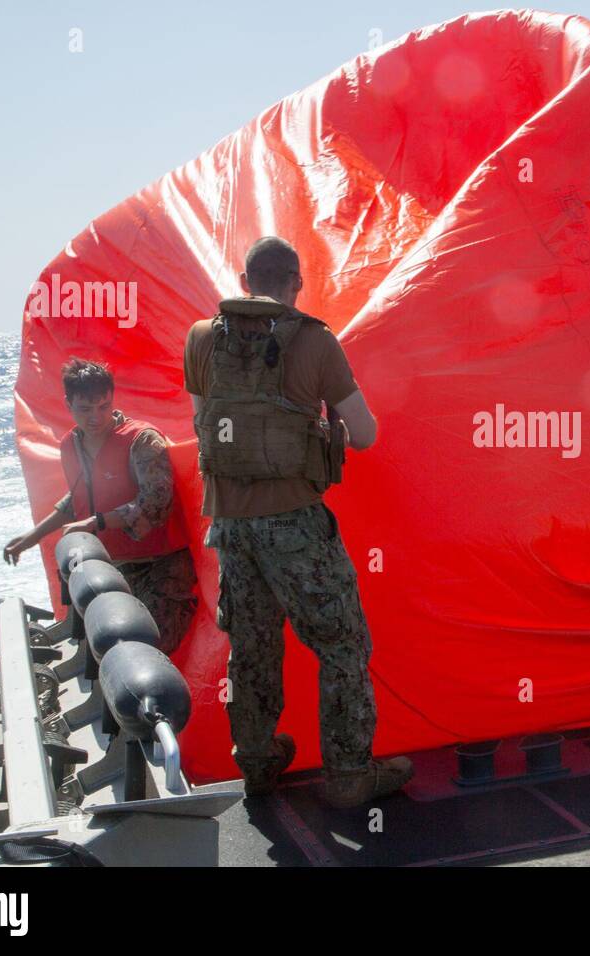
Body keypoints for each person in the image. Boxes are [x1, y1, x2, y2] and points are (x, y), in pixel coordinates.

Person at [183, 235, 412, 803]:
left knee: (253, 646)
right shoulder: (315, 341)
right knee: (342, 644)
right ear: (296, 283)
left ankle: (257, 763)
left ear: (244, 281)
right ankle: (350, 775)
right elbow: (365, 434)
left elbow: (201, 425)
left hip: (230, 526)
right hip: (295, 526)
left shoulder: (201, 338)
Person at [4, 359, 198, 654]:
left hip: (161, 569)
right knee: (109, 652)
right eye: (85, 409)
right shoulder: (71, 445)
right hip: (110, 569)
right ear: (68, 404)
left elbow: (157, 501)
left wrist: (98, 522)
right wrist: (30, 538)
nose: (96, 417)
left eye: (103, 406)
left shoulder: (141, 440)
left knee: (147, 654)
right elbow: (78, 500)